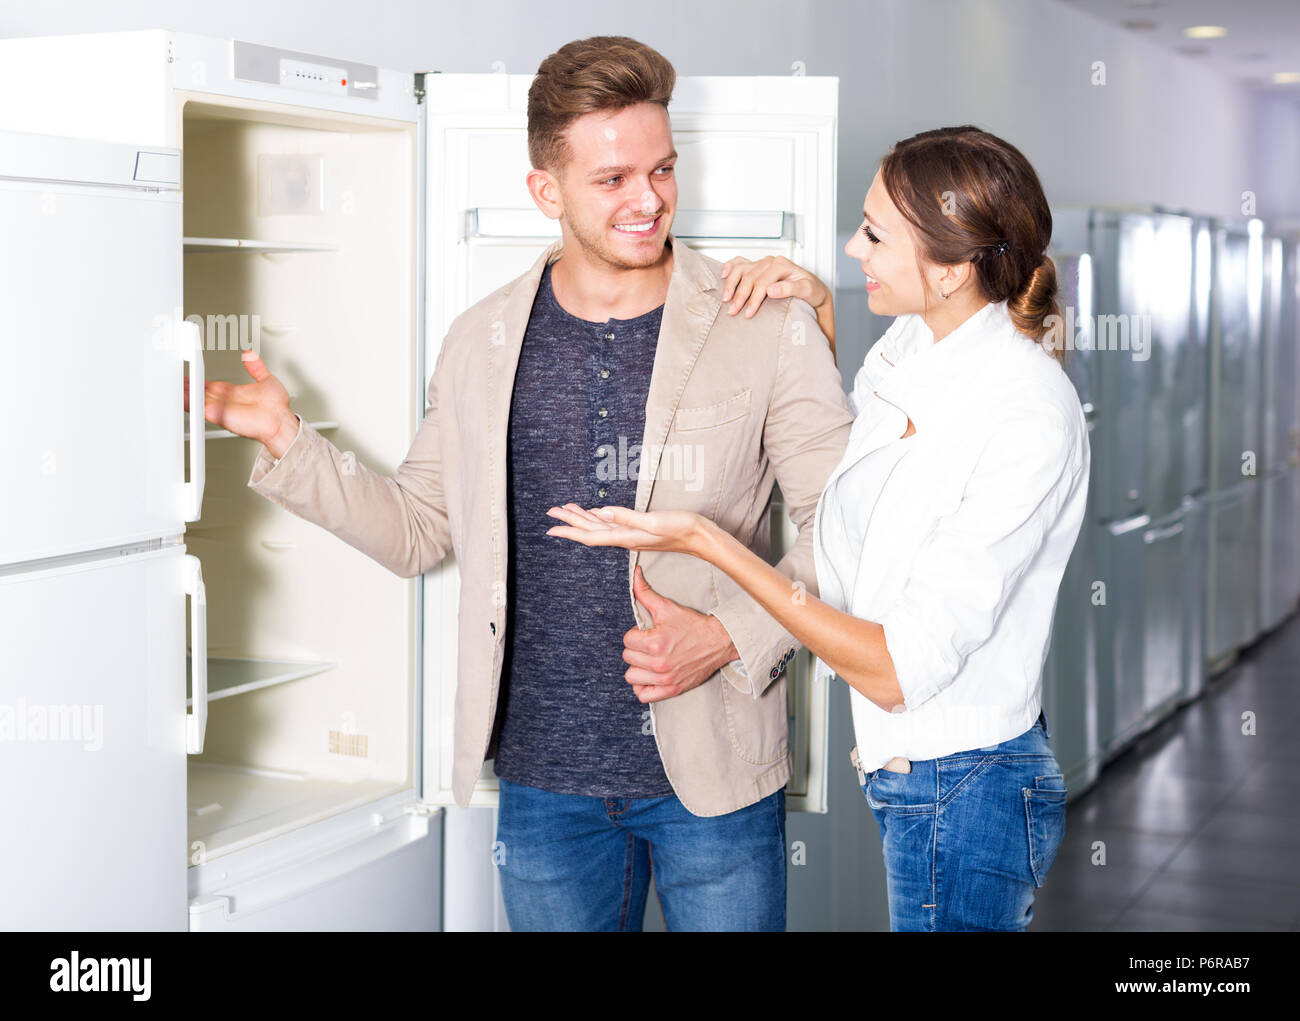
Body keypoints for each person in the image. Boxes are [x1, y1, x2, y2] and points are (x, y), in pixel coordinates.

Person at [195, 35, 853, 931]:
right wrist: (287, 439)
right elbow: (422, 527)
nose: (649, 199)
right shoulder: (480, 340)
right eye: (613, 179)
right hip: (544, 788)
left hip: (718, 772)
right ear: (546, 190)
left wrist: (728, 636)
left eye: (662, 169)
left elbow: (845, 529)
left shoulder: (763, 325)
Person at [547, 125, 1090, 932]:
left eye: (873, 234)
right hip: (911, 778)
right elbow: (862, 486)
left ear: (948, 267)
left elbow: (894, 671)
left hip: (966, 789)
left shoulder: (1027, 413)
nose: (850, 246)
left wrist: (710, 543)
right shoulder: (920, 339)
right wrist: (818, 316)